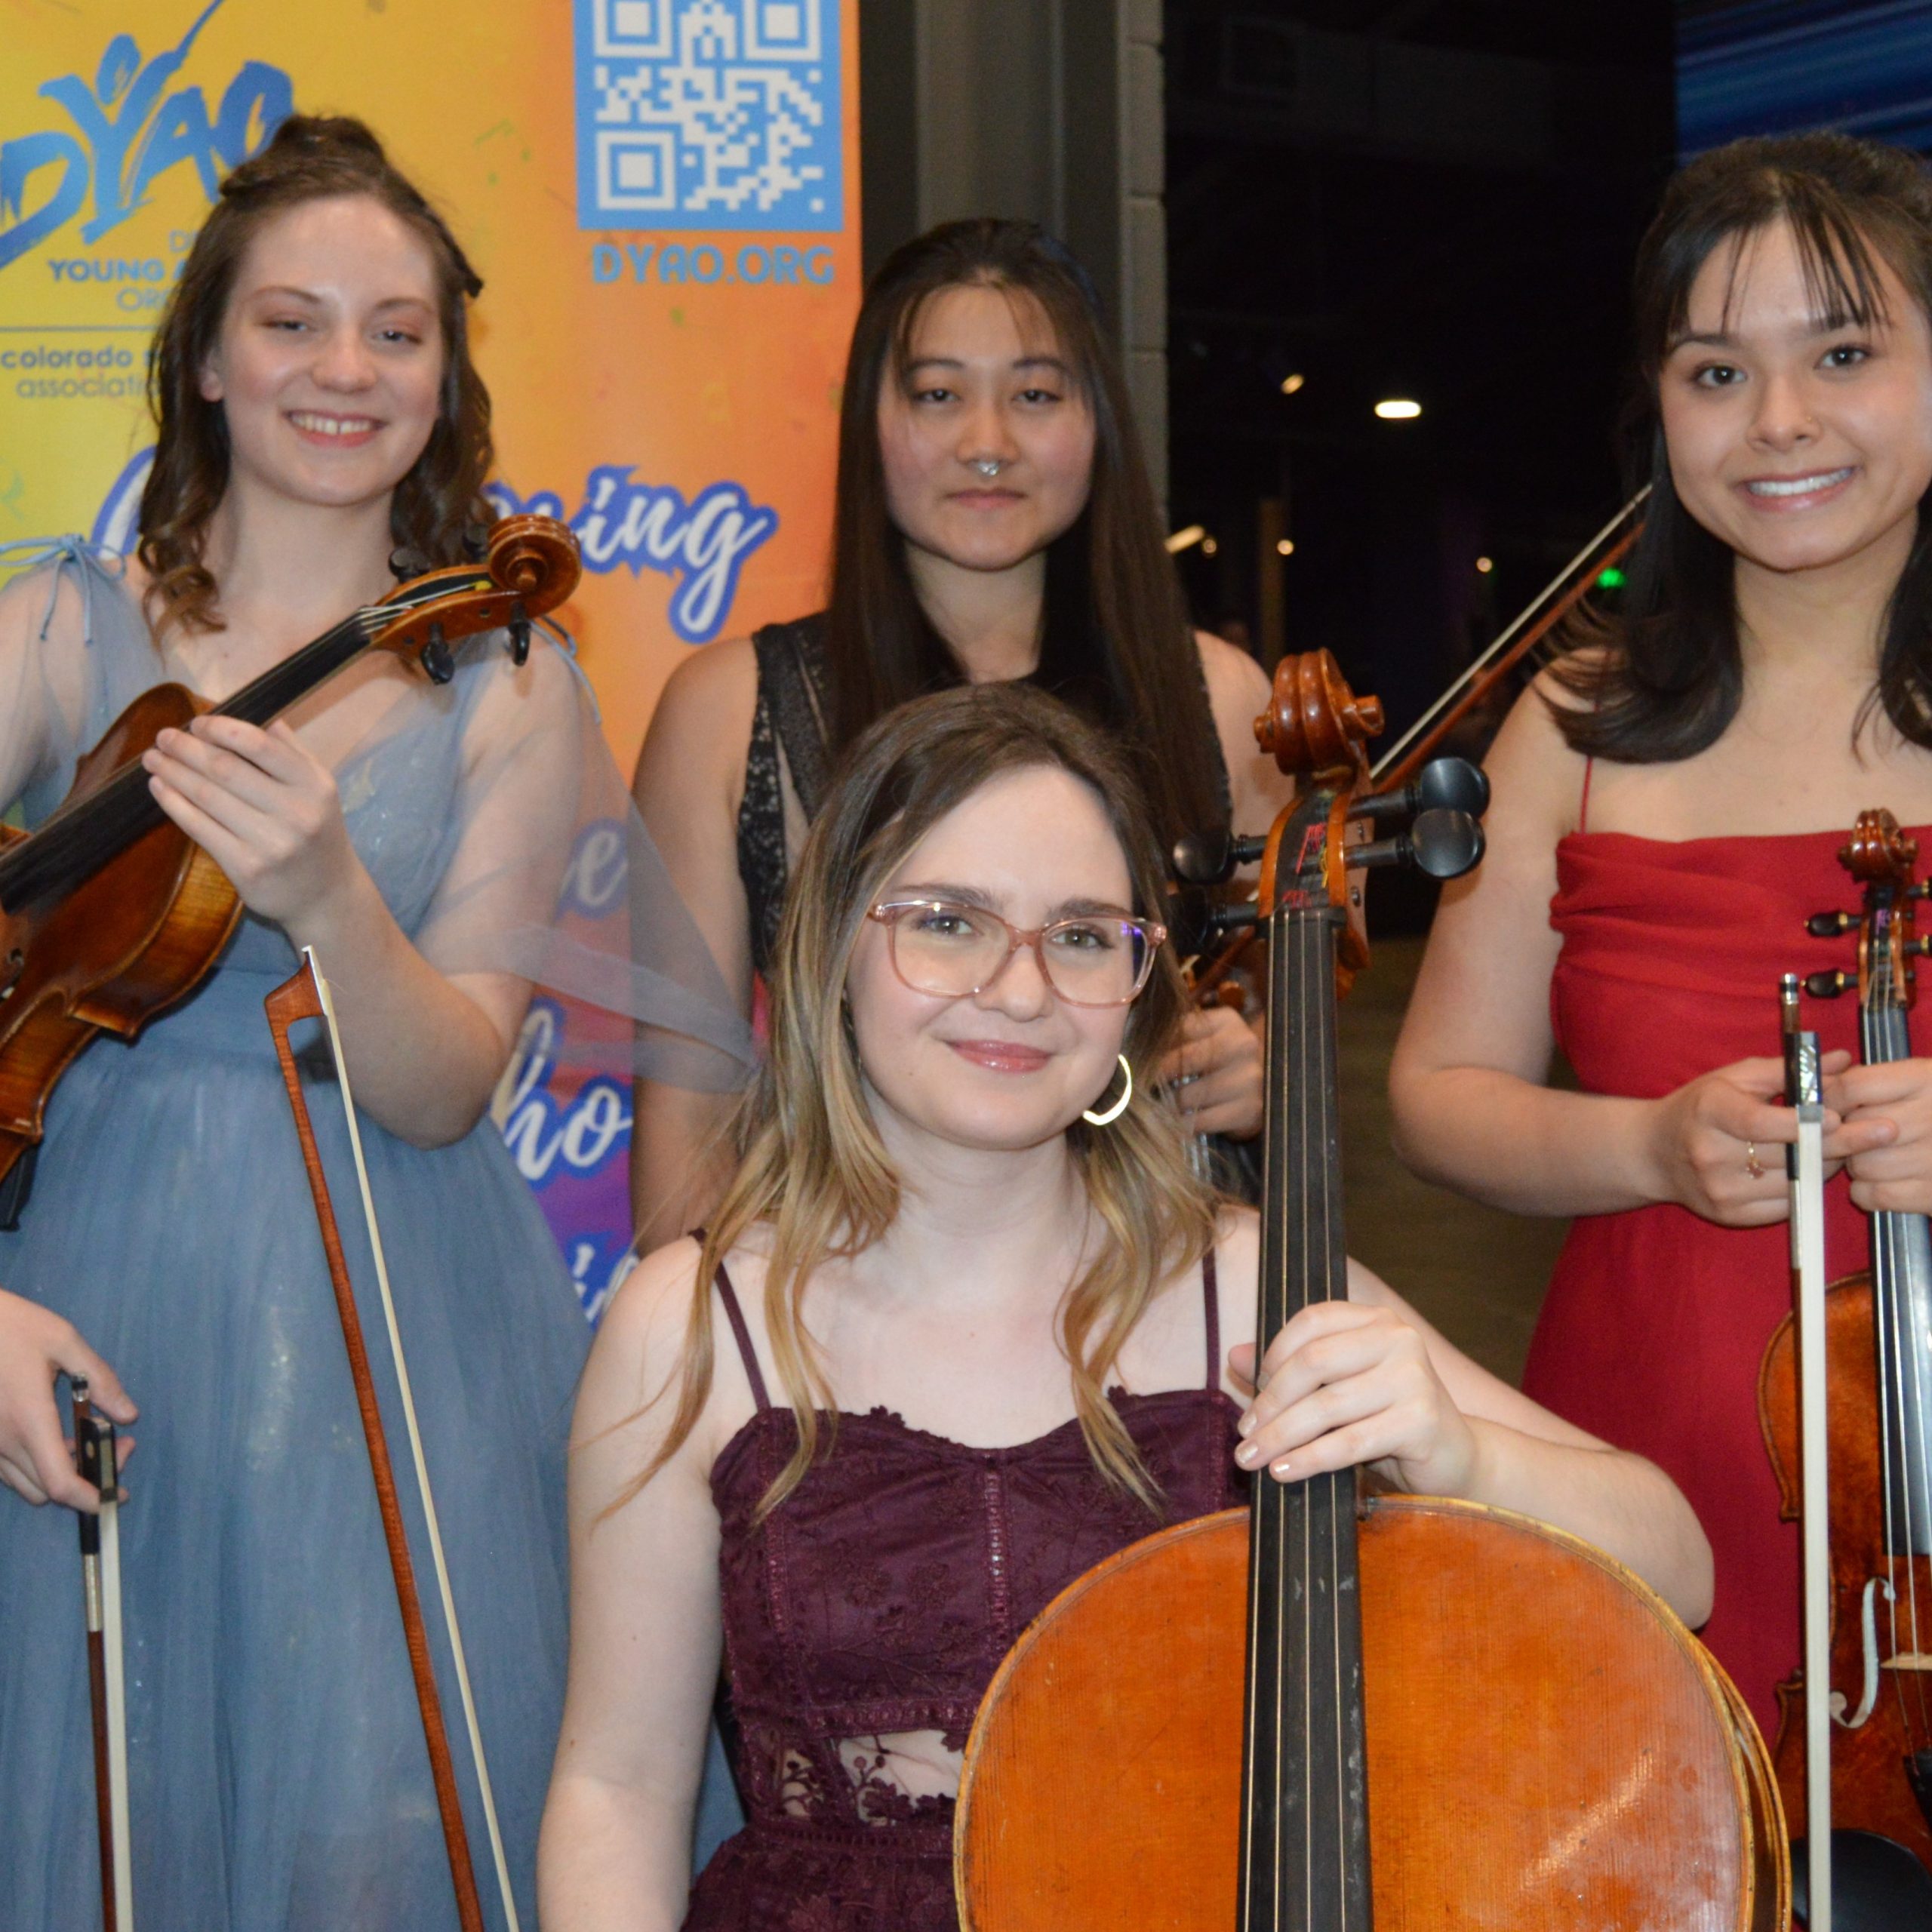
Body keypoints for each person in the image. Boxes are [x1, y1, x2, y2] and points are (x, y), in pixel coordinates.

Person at [542, 681, 1714, 1932]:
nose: (1020, 988)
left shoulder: (1244, 1285)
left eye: (1086, 936)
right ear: (832, 945)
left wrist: (1461, 1451)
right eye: (949, 923)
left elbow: (1679, 1567)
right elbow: (619, 1788)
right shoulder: (690, 1329)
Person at [0, 115, 744, 1930]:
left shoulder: (502, 676)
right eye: (293, 321)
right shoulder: (55, 631)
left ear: (444, 378)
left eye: (396, 332)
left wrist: (331, 895)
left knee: (371, 1831)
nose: (345, 370)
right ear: (202, 356)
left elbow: (442, 1087)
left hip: (391, 1309)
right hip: (86, 1273)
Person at [1388, 131, 1932, 1737]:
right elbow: (1435, 1096)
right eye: (1714, 370)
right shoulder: (1568, 726)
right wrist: (1646, 1145)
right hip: (1644, 1468)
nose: (1776, 423)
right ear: (1657, 411)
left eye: (1841, 353)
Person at [629, 219, 1295, 1251]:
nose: (988, 442)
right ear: (870, 422)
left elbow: (1282, 1042)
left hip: (1151, 1294)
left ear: (1097, 422)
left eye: (1036, 394)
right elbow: (689, 1120)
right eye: (938, 394)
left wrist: (1268, 1078)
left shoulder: (1219, 694)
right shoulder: (726, 709)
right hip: (839, 1310)